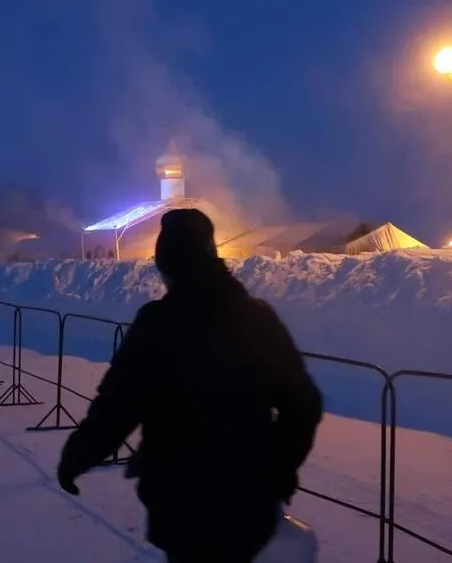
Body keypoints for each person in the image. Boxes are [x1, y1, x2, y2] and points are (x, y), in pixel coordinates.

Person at [57, 208, 324, 563]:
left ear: (168, 266)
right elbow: (304, 404)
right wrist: (278, 467)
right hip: (249, 499)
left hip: (180, 500)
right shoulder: (257, 319)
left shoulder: (156, 323)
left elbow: (117, 405)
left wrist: (78, 456)